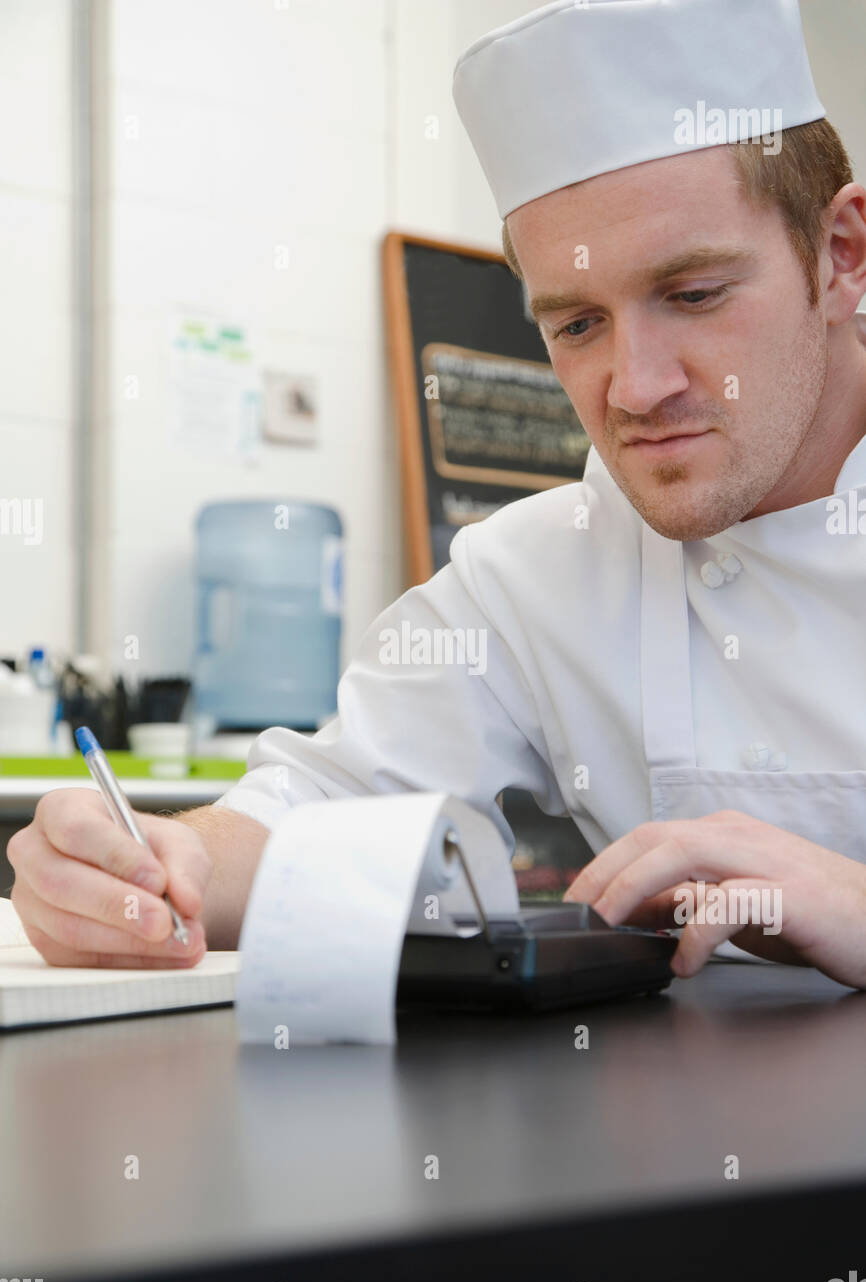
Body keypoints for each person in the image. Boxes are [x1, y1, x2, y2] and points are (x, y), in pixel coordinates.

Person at [8, 0, 866, 989]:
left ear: (840, 254)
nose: (633, 386)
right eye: (577, 323)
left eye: (694, 294)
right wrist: (151, 863)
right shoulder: (541, 570)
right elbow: (318, 803)